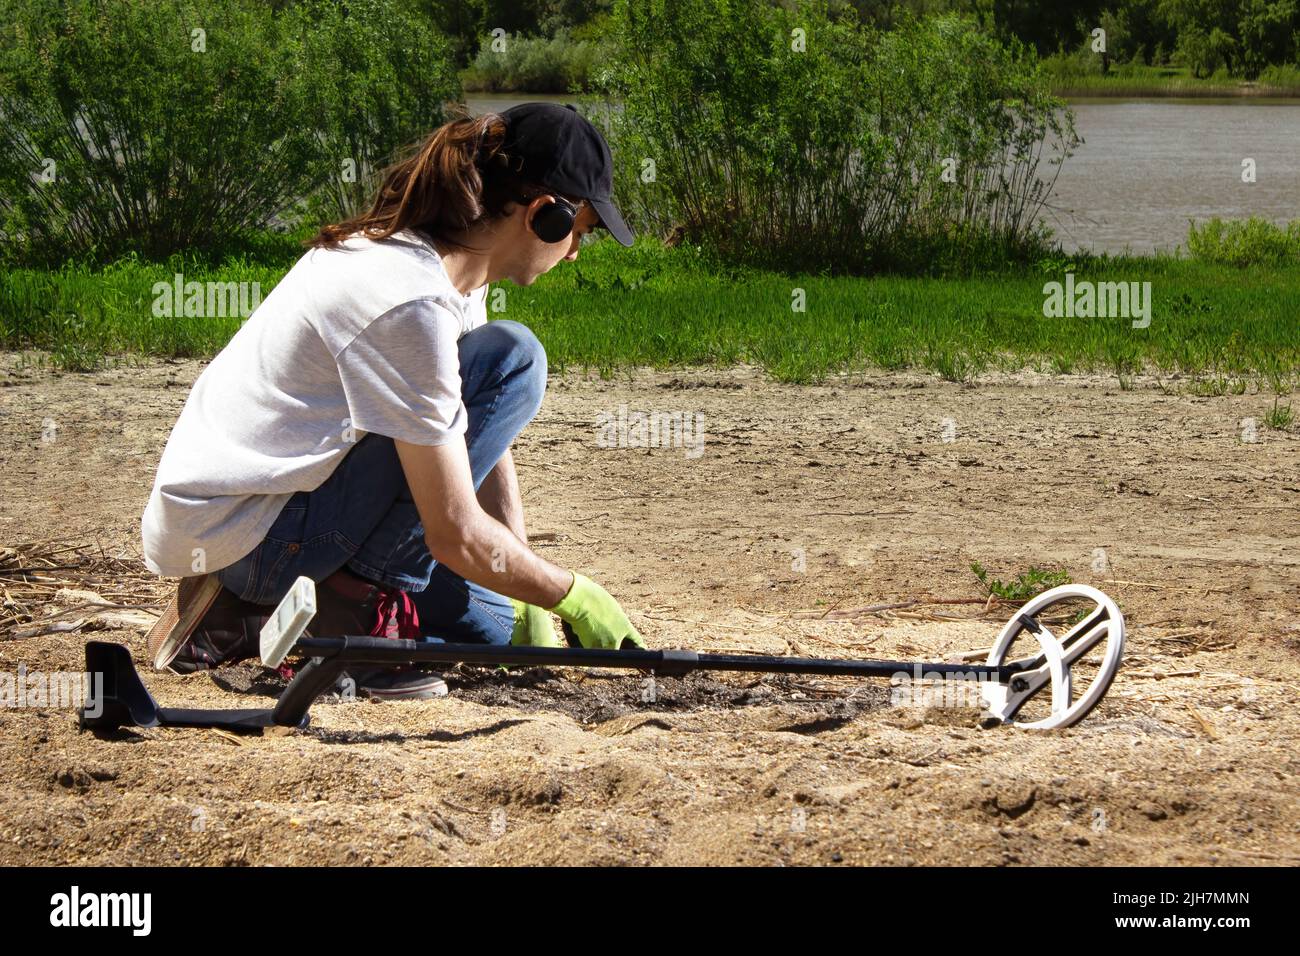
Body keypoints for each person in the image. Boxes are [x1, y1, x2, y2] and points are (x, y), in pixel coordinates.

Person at [140, 103, 644, 700]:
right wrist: (572, 593)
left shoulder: (447, 268)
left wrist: (522, 585)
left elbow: (464, 432)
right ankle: (352, 617)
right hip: (257, 533)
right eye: (580, 232)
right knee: (516, 357)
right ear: (545, 217)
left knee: (494, 629)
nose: (577, 251)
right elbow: (452, 532)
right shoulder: (412, 303)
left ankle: (243, 618)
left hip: (251, 523)